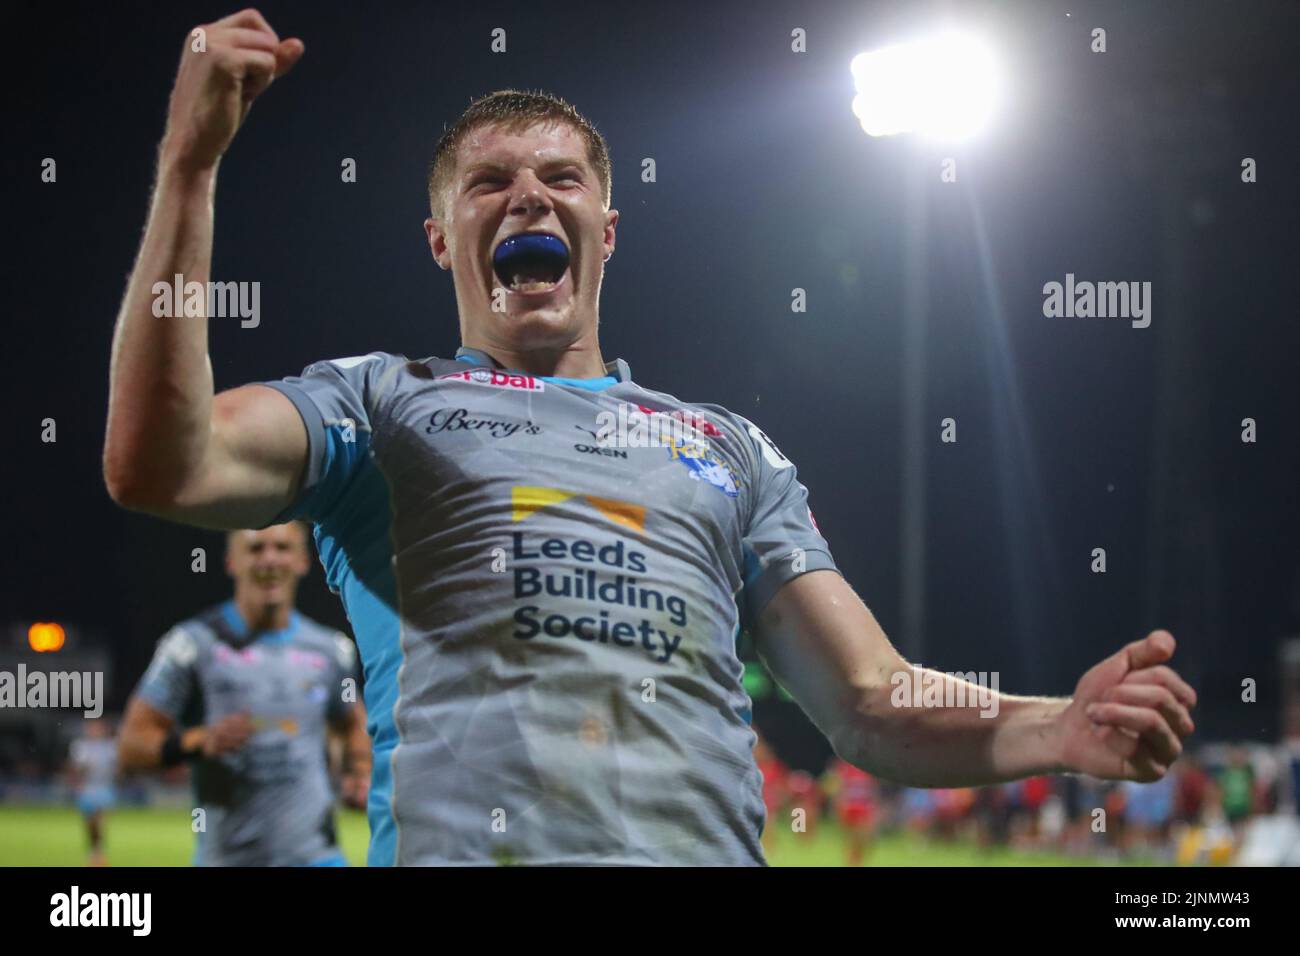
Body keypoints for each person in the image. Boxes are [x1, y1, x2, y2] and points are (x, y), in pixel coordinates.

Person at [103, 9, 1198, 866]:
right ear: (443, 241)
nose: (526, 191)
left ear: (605, 231)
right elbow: (164, 459)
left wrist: (1059, 722)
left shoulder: (730, 448)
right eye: (488, 181)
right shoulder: (377, 404)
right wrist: (191, 167)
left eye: (560, 177)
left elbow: (870, 698)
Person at [117, 522, 370, 866]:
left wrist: (358, 771)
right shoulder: (192, 645)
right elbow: (131, 745)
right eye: (255, 548)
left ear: (302, 561)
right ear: (231, 562)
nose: (269, 559)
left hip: (318, 857)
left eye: (282, 548)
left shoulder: (331, 650)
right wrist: (196, 741)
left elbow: (351, 724)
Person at [67, 719, 118, 866]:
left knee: (99, 821)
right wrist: (83, 769)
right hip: (87, 789)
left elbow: (117, 767)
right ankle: (94, 851)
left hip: (104, 788)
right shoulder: (80, 747)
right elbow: (75, 769)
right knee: (90, 825)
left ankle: (99, 853)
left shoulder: (110, 747)